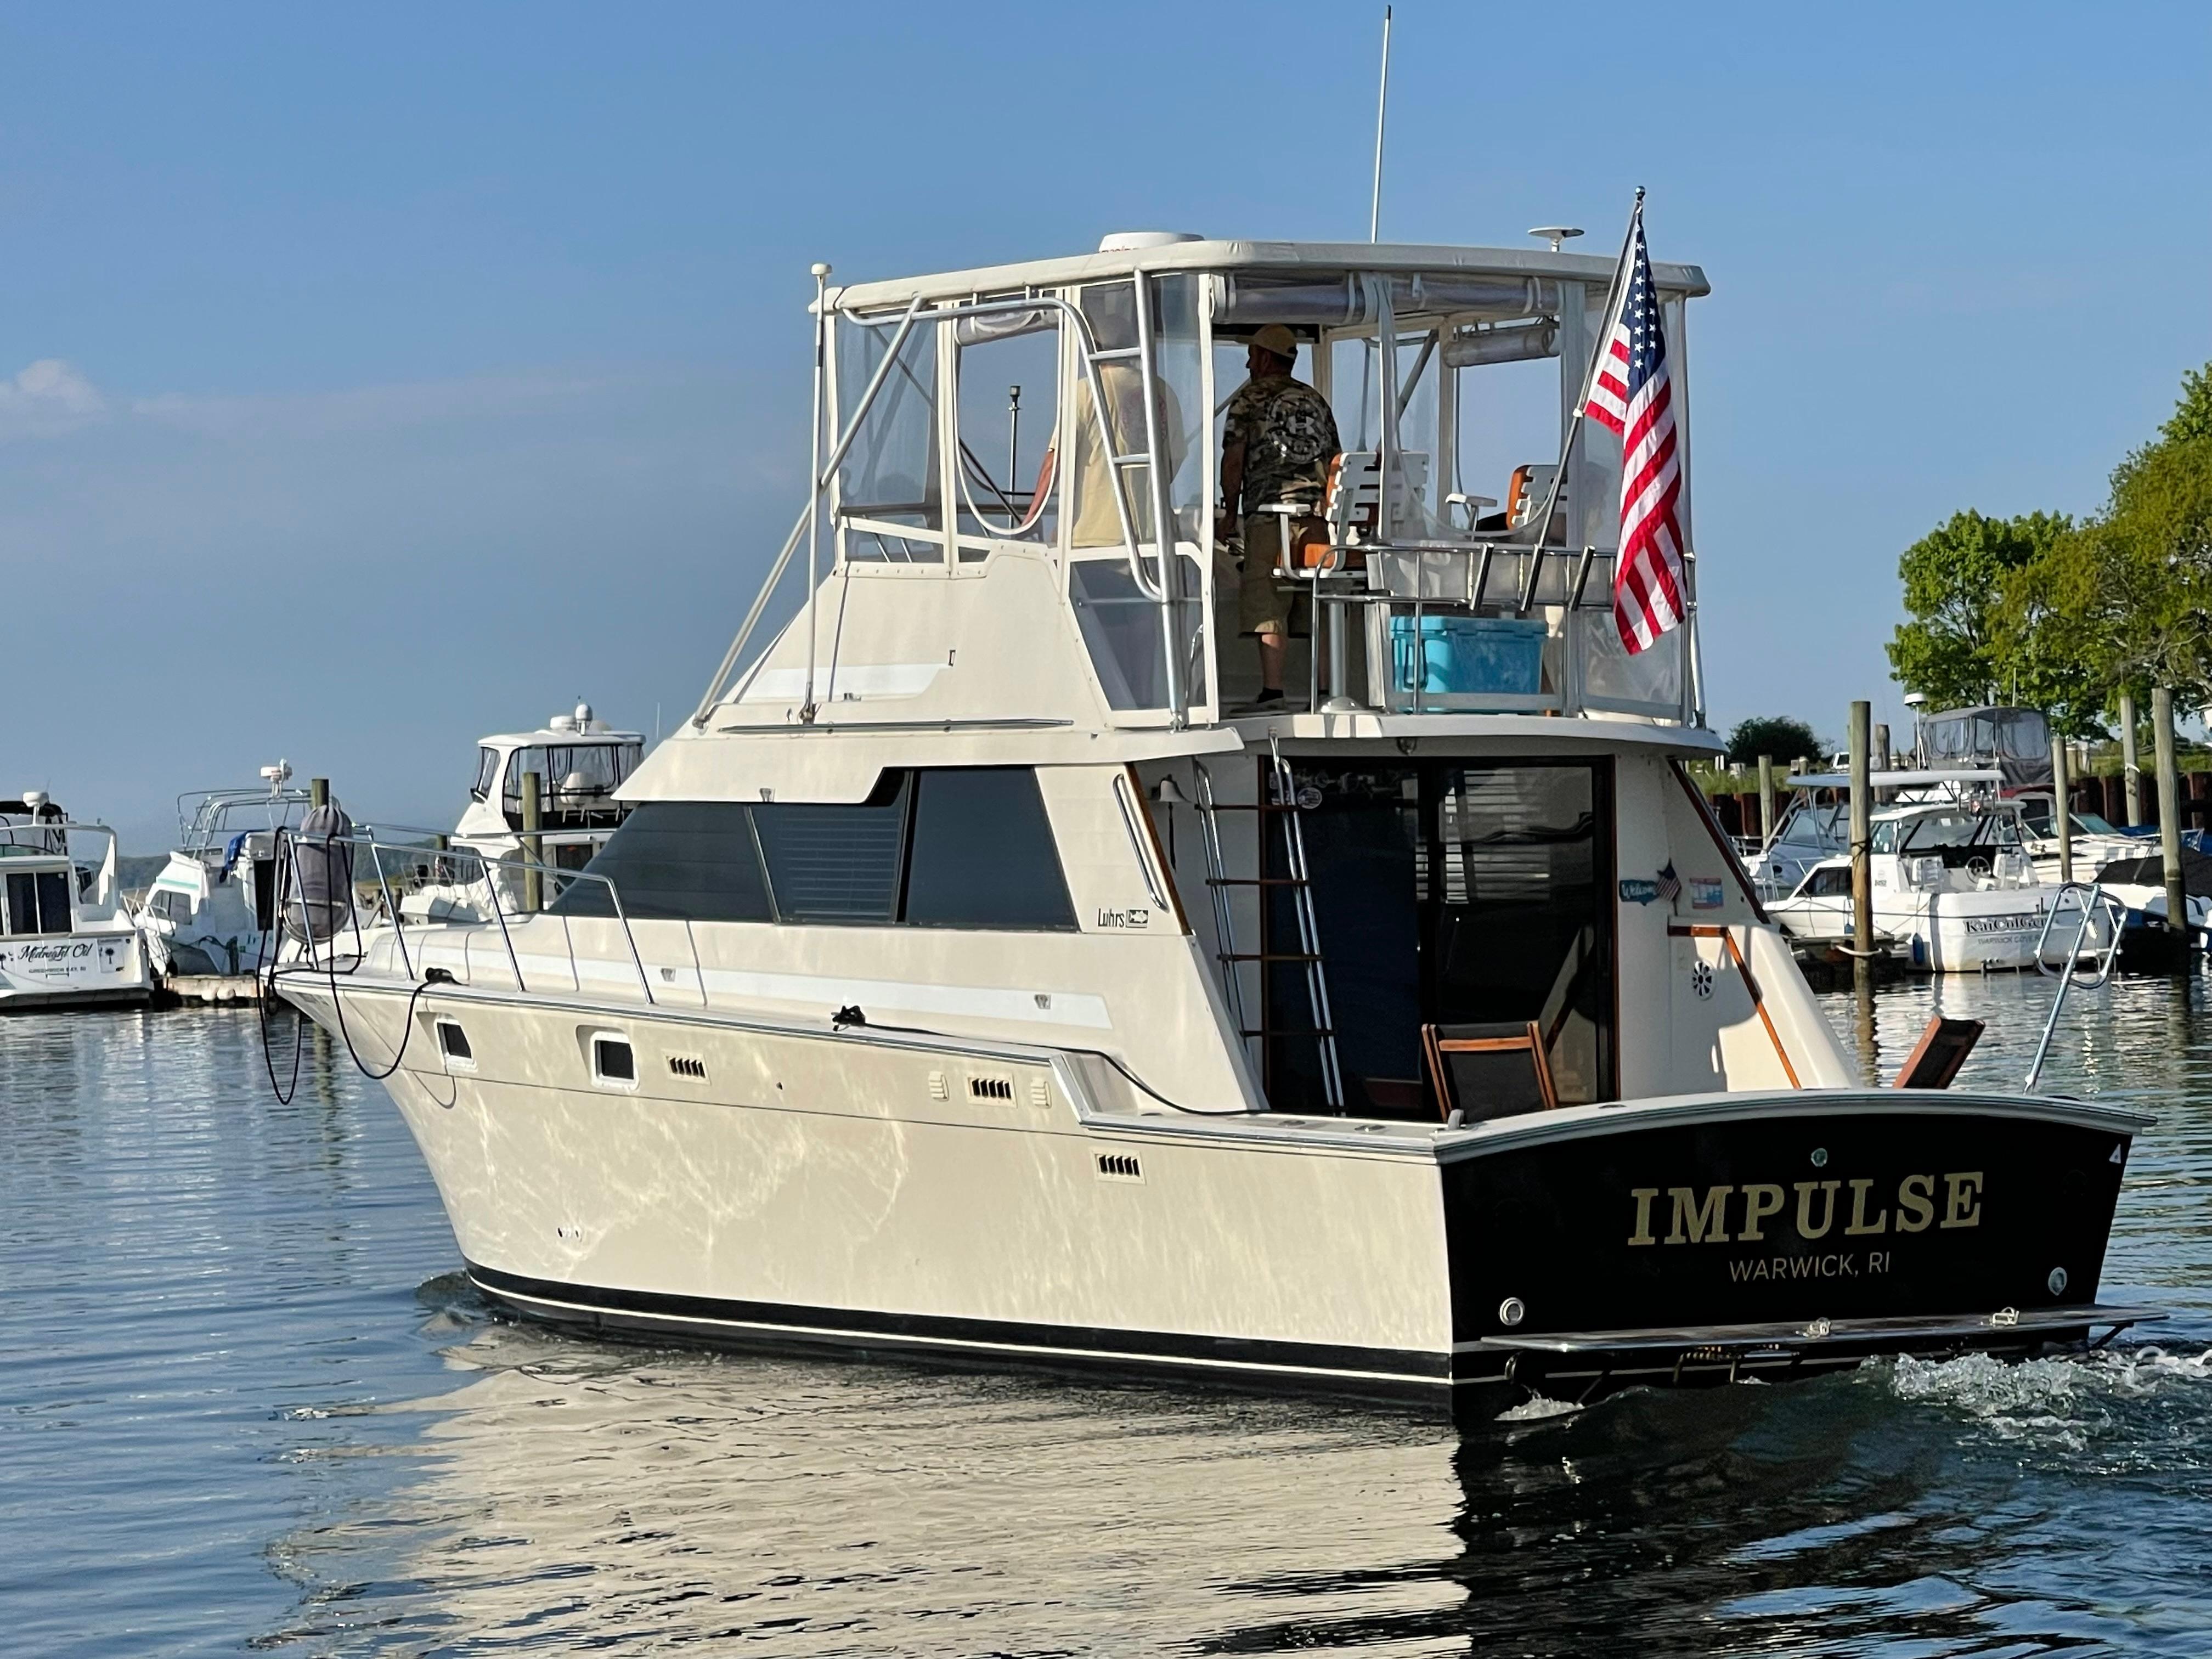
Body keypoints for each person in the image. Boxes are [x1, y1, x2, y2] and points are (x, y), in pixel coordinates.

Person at [1217, 324, 1339, 706]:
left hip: (1270, 516)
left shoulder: (1249, 400)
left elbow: (1234, 460)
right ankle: (1325, 691)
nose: (1248, 364)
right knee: (1316, 601)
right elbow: (1336, 459)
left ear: (1267, 358)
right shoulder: (1316, 400)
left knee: (1266, 601)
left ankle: (1273, 691)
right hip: (1316, 519)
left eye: (1252, 355)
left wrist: (1229, 512)